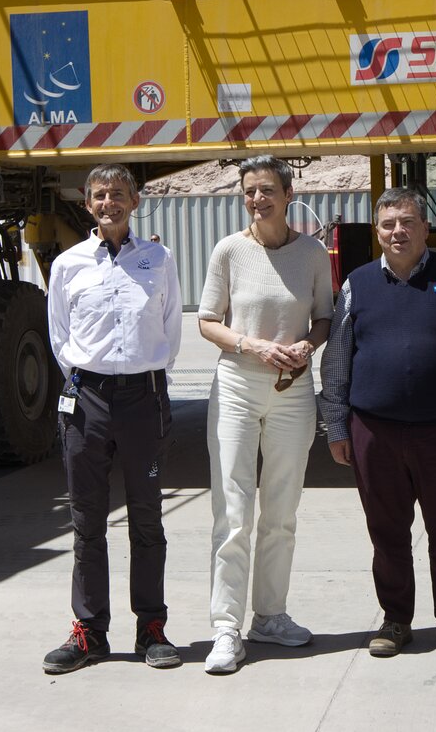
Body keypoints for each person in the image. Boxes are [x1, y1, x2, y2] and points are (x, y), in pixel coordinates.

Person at [319, 187, 436, 660]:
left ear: (424, 228)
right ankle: (396, 619)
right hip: (374, 431)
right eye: (387, 224)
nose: (397, 231)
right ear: (377, 232)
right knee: (386, 533)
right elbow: (338, 359)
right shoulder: (357, 283)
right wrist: (337, 425)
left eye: (407, 222)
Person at [42, 163, 183, 674]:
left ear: (136, 201)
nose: (110, 203)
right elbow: (61, 337)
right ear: (88, 204)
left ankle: (151, 628)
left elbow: (169, 331)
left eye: (119, 194)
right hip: (88, 402)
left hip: (143, 399)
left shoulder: (159, 259)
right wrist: (91, 382)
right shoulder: (68, 265)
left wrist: (139, 377)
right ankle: (89, 632)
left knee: (147, 518)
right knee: (87, 522)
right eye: (100, 195)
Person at [197, 155, 333, 674]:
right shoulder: (229, 251)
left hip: (294, 391)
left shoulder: (313, 253)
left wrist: (308, 346)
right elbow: (209, 322)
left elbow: (324, 315)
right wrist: (251, 346)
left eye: (267, 190)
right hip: (235, 386)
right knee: (232, 511)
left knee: (281, 511)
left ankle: (270, 616)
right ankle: (225, 628)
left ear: (288, 193)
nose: (258, 199)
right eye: (250, 191)